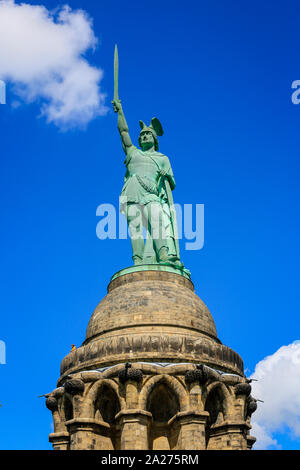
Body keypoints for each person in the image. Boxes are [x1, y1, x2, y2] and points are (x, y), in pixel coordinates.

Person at [112, 98, 181, 266]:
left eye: (147, 134)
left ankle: (163, 255)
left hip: (152, 193)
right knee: (134, 227)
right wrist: (120, 112)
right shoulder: (133, 153)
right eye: (141, 135)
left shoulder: (163, 158)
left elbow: (172, 184)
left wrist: (167, 176)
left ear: (154, 139)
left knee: (157, 221)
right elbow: (123, 133)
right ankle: (138, 260)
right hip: (132, 190)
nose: (143, 137)